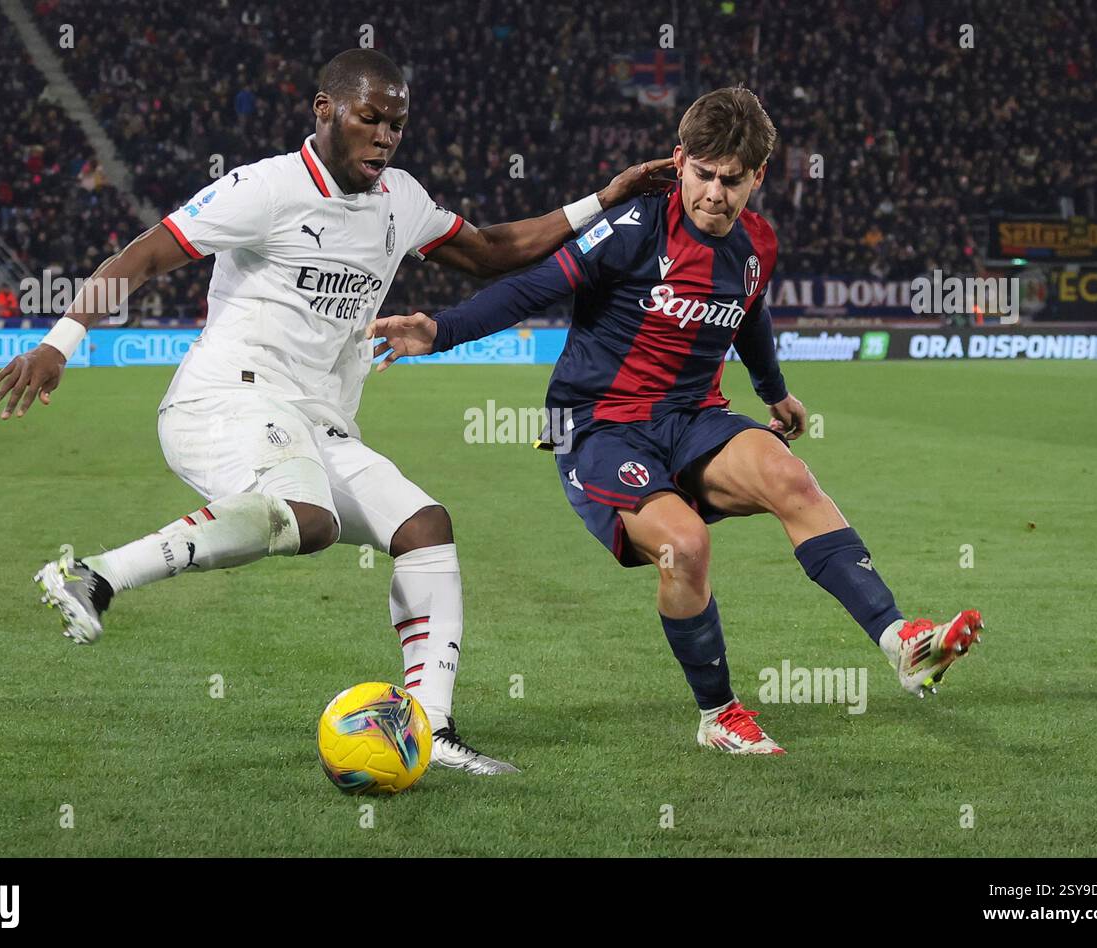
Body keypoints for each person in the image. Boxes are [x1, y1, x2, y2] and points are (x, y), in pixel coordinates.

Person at [0, 48, 672, 775]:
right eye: (370, 118)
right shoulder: (265, 188)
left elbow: (493, 251)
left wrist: (603, 198)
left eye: (397, 125)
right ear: (326, 110)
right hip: (227, 397)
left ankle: (428, 729)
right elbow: (143, 256)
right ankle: (92, 575)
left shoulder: (400, 200)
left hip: (319, 421)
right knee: (309, 519)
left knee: (424, 527)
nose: (384, 136)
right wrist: (59, 344)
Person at [368, 87, 984, 755]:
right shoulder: (634, 230)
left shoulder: (756, 245)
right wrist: (442, 330)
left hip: (693, 417)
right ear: (680, 160)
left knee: (792, 478)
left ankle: (903, 644)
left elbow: (747, 310)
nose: (716, 194)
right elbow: (534, 285)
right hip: (598, 425)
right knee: (683, 546)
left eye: (733, 180)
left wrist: (775, 394)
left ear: (758, 177)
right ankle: (718, 711)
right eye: (704, 175)